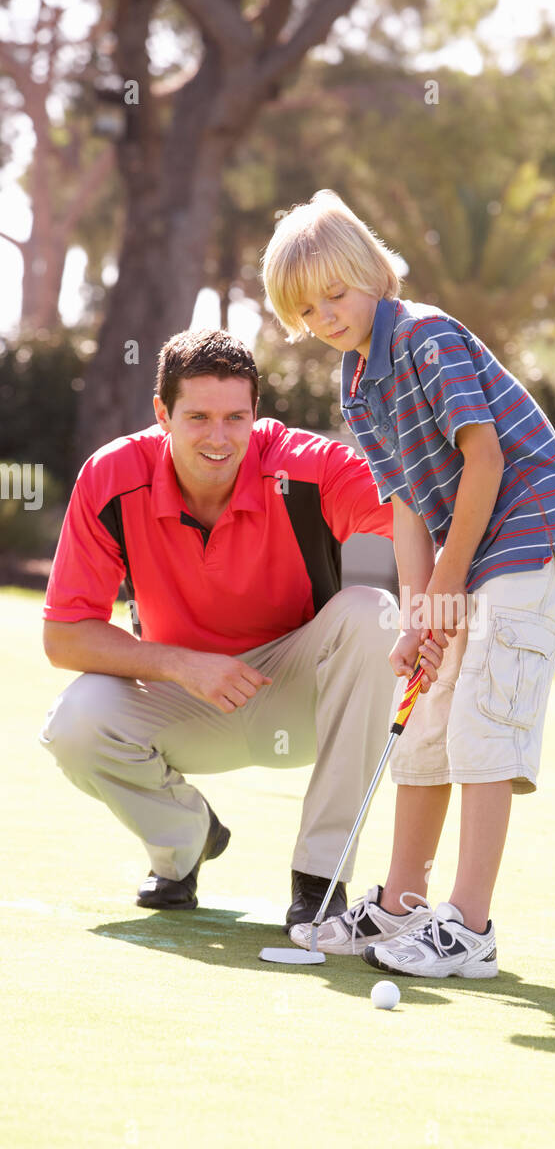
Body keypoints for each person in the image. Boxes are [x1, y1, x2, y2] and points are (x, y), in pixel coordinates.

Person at [261, 190, 555, 978]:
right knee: (427, 721)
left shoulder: (425, 336)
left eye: (337, 294)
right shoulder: (355, 382)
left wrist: (447, 585)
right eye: (309, 311)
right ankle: (402, 903)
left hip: (532, 537)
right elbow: (408, 500)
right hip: (468, 554)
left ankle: (470, 926)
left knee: (485, 722)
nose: (328, 316)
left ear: (375, 273)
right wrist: (421, 614)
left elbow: (485, 461)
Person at [39, 327, 442, 932]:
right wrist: (184, 665)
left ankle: (319, 880)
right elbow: (65, 635)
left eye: (235, 417)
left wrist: (423, 611)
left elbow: (419, 508)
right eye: (197, 417)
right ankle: (185, 841)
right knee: (73, 723)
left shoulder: (308, 466)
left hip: (302, 701)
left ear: (256, 414)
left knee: (371, 612)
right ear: (162, 414)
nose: (219, 438)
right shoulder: (111, 476)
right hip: (184, 699)